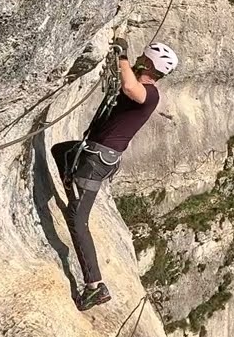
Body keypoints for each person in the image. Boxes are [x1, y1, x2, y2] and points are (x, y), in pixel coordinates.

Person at [52, 30, 179, 310]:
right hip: (94, 153)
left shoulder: (150, 94)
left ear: (149, 65)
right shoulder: (139, 85)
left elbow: (132, 89)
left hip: (98, 159)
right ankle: (72, 188)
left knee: (78, 219)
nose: (137, 60)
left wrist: (122, 55)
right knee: (60, 151)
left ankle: (94, 286)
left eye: (142, 58)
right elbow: (128, 84)